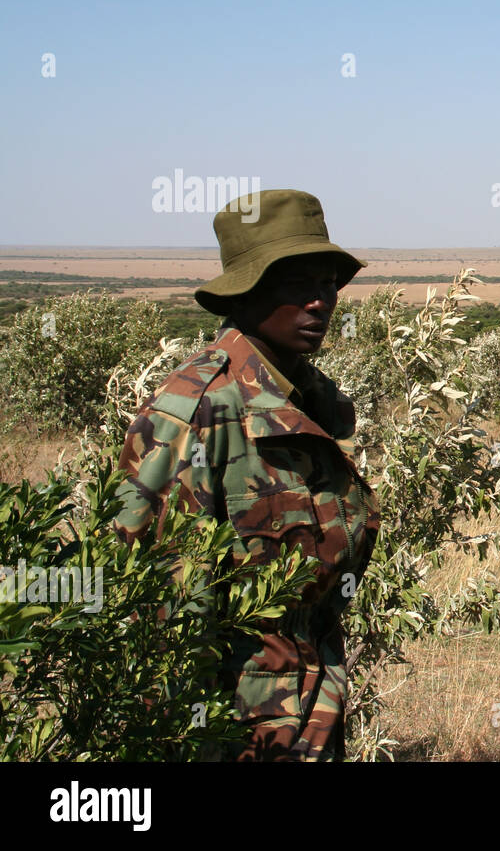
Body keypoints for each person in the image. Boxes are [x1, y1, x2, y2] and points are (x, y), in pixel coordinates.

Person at [113, 189, 380, 761]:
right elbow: (157, 619)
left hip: (313, 716)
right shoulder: (197, 412)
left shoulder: (313, 402)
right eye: (296, 284)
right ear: (248, 291)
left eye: (329, 283)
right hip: (232, 735)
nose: (320, 302)